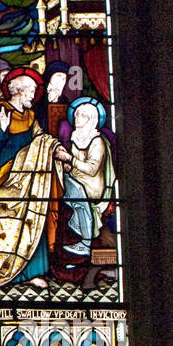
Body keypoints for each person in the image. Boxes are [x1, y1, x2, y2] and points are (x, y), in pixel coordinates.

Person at [0, 68, 72, 290]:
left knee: (34, 223)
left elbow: (42, 139)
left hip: (30, 179)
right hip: (4, 178)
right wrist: (0, 128)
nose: (33, 96)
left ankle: (33, 272)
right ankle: (9, 271)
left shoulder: (30, 116)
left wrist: (59, 151)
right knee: (10, 229)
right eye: (30, 92)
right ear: (19, 91)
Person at [59, 98, 115, 257]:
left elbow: (91, 170)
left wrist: (70, 160)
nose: (77, 118)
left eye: (82, 115)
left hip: (92, 185)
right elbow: (78, 165)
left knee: (76, 192)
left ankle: (86, 242)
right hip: (78, 179)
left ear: (91, 119)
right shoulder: (77, 136)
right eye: (76, 114)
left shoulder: (97, 142)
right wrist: (68, 167)